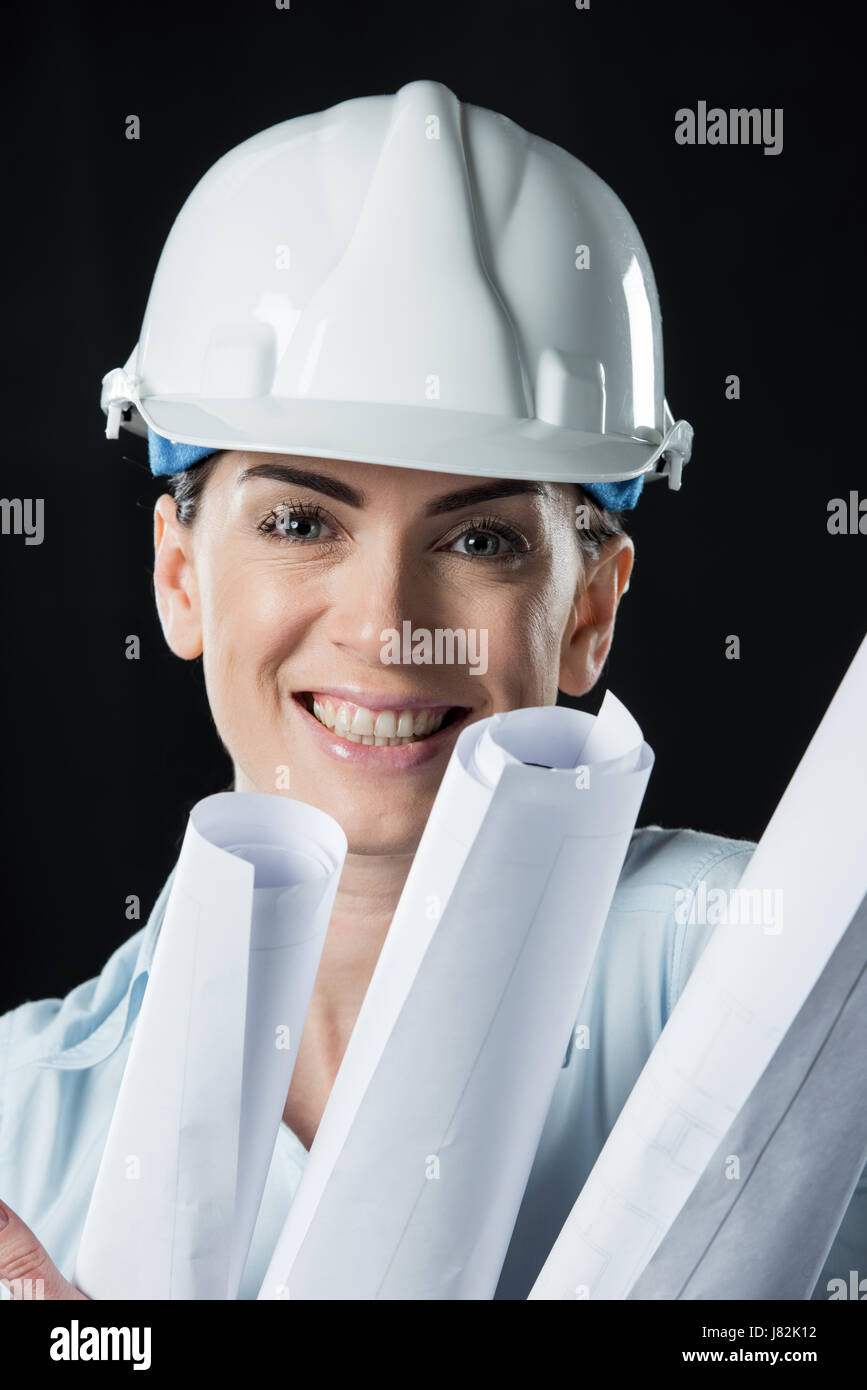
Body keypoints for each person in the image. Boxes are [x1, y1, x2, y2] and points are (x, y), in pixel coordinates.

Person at [0, 80, 862, 1302]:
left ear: (592, 611)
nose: (386, 626)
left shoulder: (781, 984)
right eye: (301, 520)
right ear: (181, 577)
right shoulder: (22, 1131)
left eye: (481, 541)